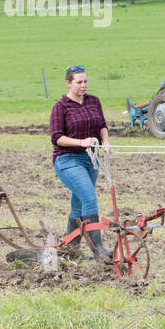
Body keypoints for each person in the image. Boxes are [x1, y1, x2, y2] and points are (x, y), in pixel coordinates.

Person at [50, 65, 112, 260]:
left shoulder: (94, 101)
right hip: (68, 159)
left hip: (91, 159)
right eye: (79, 82)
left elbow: (101, 125)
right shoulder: (60, 107)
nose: (83, 86)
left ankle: (70, 250)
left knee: (78, 206)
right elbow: (57, 138)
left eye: (85, 81)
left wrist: (106, 143)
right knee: (89, 198)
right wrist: (81, 142)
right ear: (68, 83)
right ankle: (98, 248)